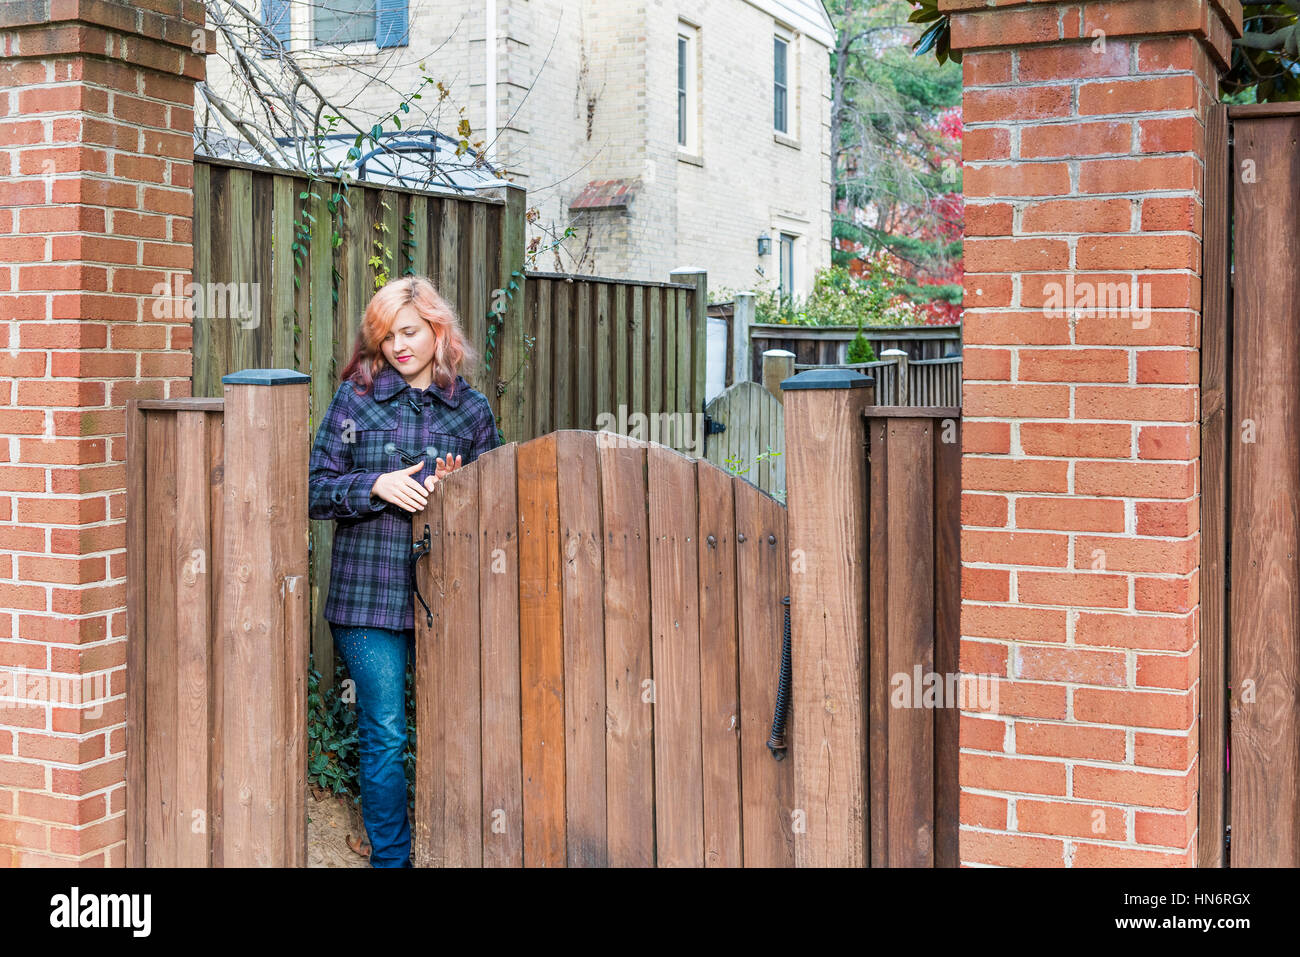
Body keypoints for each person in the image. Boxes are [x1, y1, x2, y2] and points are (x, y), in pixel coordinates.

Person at [308, 275, 502, 867]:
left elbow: (501, 502)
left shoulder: (470, 409)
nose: (400, 346)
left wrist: (457, 490)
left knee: (462, 726)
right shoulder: (355, 400)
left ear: (438, 330)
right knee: (386, 734)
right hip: (368, 600)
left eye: (411, 332)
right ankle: (392, 861)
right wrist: (375, 484)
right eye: (388, 336)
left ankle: (466, 847)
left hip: (449, 595)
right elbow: (316, 489)